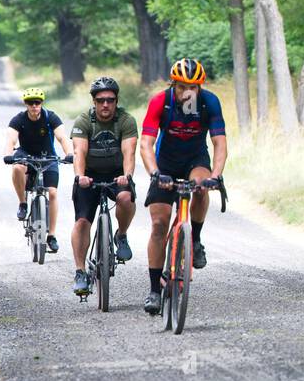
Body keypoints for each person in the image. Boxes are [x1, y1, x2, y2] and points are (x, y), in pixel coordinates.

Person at [139, 58, 227, 315]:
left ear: (200, 87)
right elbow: (146, 143)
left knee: (201, 185)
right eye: (182, 87)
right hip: (165, 164)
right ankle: (155, 290)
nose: (187, 92)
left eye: (193, 87)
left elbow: (220, 143)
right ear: (173, 84)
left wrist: (217, 176)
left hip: (195, 160)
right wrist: (155, 173)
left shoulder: (209, 102)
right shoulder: (160, 101)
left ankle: (195, 239)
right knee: (158, 224)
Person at [69, 76, 138, 297]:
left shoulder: (126, 120)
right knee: (82, 221)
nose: (105, 104)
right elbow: (79, 152)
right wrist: (80, 176)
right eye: (100, 100)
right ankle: (80, 272)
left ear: (117, 101)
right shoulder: (83, 121)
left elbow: (129, 153)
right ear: (94, 101)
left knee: (126, 198)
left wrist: (126, 176)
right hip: (88, 176)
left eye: (110, 100)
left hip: (117, 174)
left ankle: (121, 235)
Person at [5, 87, 72, 254]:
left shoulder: (51, 117)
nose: (34, 106)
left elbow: (62, 137)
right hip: (26, 154)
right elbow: (11, 139)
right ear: (26, 104)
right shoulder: (18, 119)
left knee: (53, 193)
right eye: (30, 103)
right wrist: (7, 154)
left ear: (42, 103)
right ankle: (23, 203)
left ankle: (52, 235)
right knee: (18, 167)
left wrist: (69, 153)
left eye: (37, 102)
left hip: (48, 156)